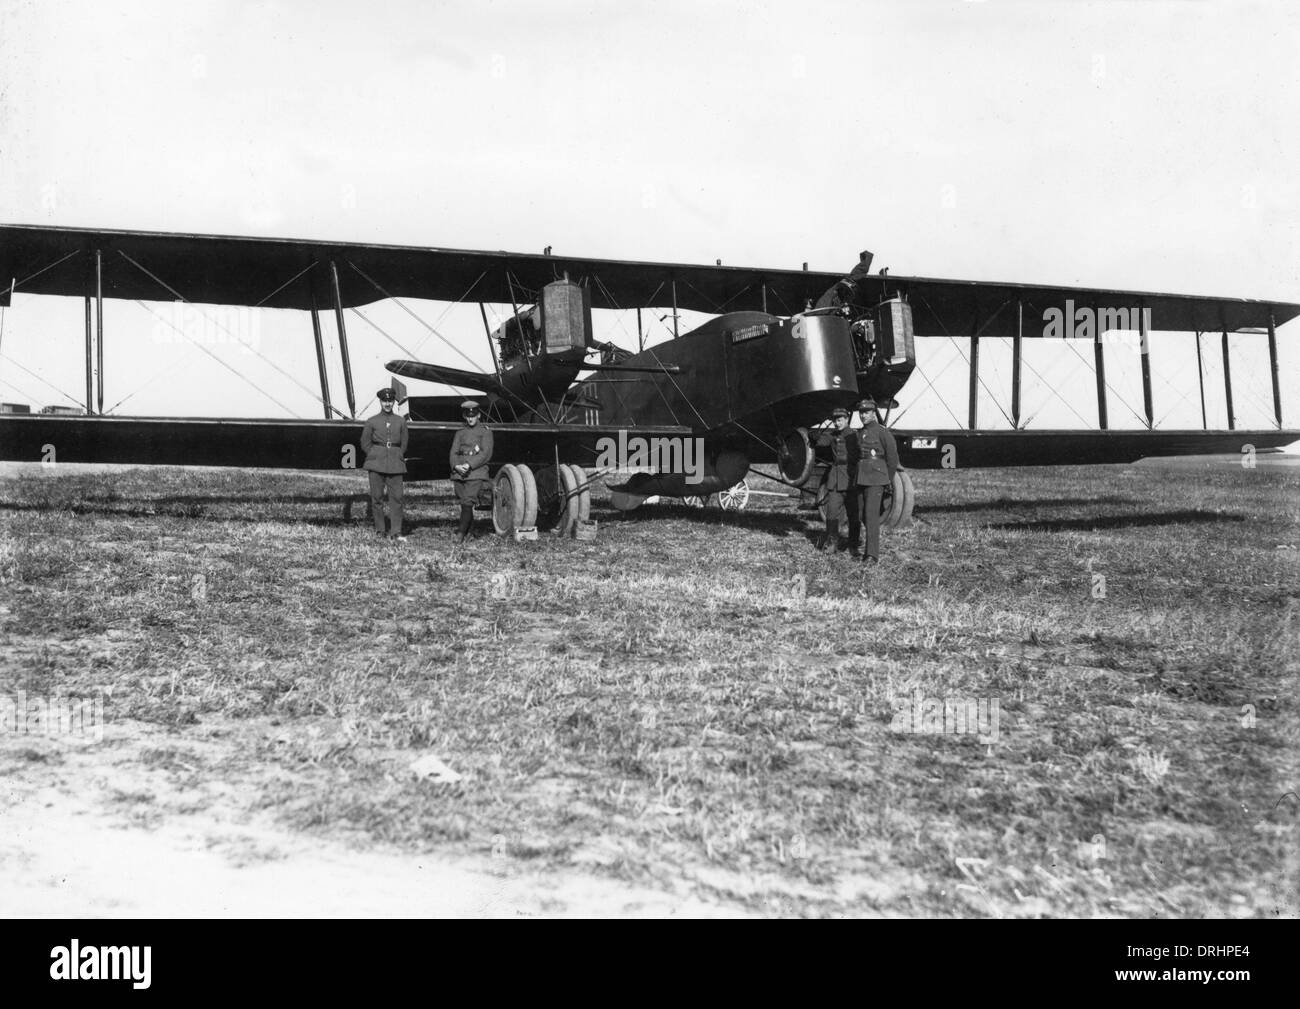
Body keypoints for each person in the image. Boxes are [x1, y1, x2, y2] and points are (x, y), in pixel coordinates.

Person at [854, 396, 900, 565]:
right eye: (861, 413)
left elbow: (892, 458)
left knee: (871, 515)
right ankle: (870, 542)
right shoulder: (859, 433)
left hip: (876, 478)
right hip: (861, 477)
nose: (863, 416)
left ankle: (871, 555)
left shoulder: (883, 432)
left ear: (874, 413)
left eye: (866, 412)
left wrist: (886, 480)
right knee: (861, 514)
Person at [360, 387, 409, 540]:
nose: (387, 404)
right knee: (377, 498)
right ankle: (380, 530)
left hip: (395, 463)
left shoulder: (400, 421)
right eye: (384, 401)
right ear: (380, 402)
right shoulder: (372, 421)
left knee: (397, 499)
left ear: (393, 402)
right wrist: (375, 454)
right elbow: (365, 443)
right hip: (376, 464)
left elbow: (404, 443)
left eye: (390, 401)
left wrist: (397, 454)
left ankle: (396, 531)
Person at [450, 399, 494, 541]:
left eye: (473, 415)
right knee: (464, 503)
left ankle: (460, 533)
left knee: (468, 501)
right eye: (468, 416)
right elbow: (453, 452)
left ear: (478, 415)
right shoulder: (460, 433)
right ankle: (471, 531)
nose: (471, 418)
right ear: (464, 416)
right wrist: (456, 466)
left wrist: (469, 465)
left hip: (476, 471)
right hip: (459, 472)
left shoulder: (485, 432)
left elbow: (485, 454)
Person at [818, 406, 860, 552]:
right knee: (831, 512)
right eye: (835, 420)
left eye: (840, 420)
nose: (837, 423)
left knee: (853, 514)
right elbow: (821, 441)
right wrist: (811, 435)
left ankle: (853, 545)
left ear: (847, 419)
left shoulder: (855, 436)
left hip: (850, 479)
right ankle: (831, 543)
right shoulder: (832, 435)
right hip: (835, 479)